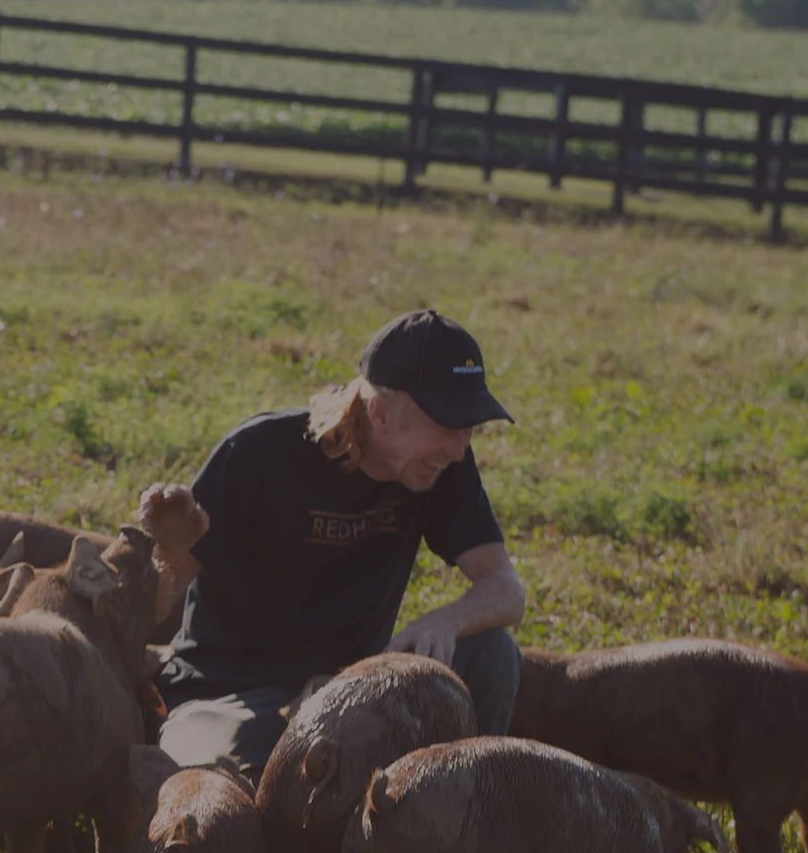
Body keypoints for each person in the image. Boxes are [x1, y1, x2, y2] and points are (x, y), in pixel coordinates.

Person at [139, 308, 526, 777]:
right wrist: (168, 550)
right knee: (214, 788)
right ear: (379, 412)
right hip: (230, 697)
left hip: (350, 692)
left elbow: (506, 590)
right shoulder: (258, 453)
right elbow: (151, 611)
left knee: (492, 653)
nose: (460, 448)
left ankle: (454, 805)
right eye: (447, 425)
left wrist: (447, 620)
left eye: (471, 427)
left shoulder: (438, 467)